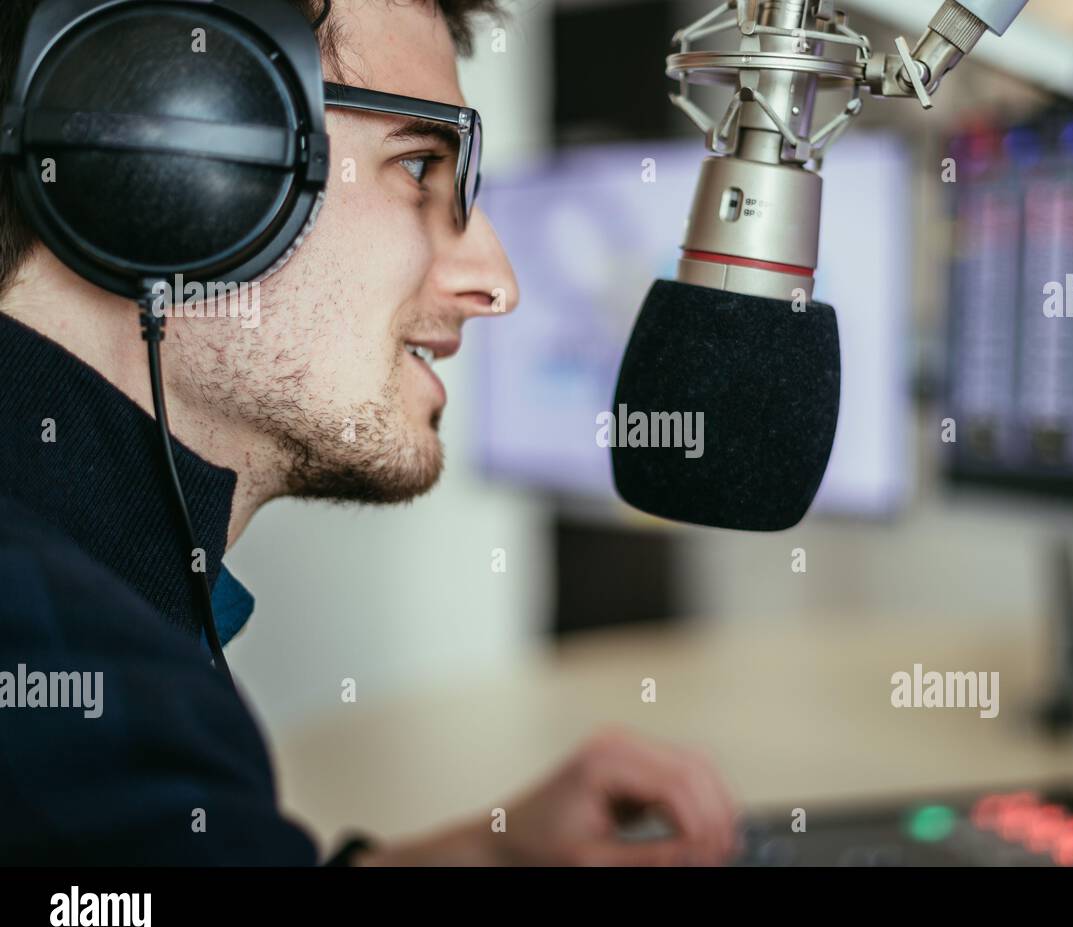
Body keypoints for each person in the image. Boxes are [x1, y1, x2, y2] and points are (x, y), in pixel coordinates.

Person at [0, 0, 738, 866]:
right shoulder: (84, 700)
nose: (496, 283)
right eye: (418, 164)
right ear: (162, 153)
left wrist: (487, 857)